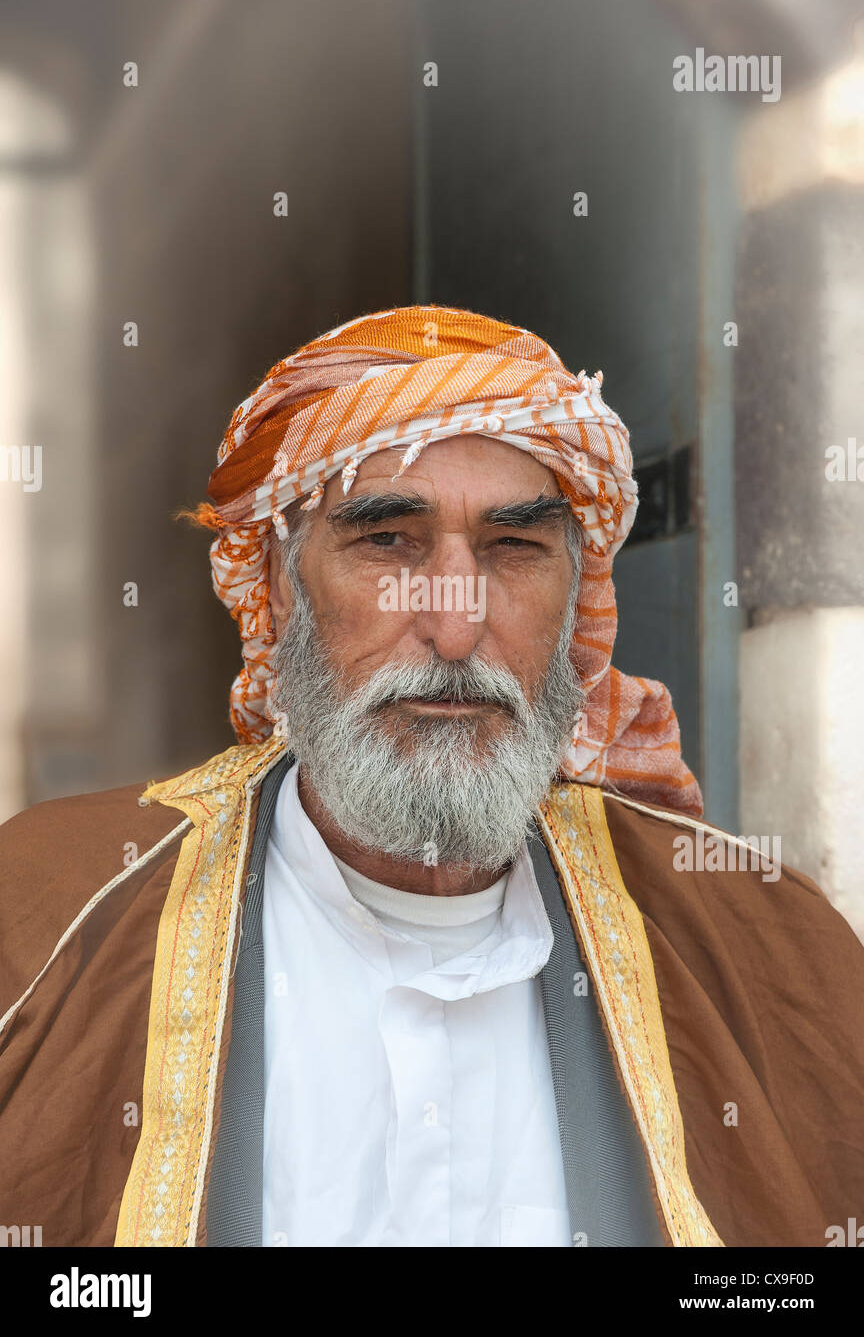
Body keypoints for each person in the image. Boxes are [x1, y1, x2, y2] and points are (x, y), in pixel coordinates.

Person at [1, 305, 862, 1250]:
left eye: (513, 548)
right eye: (388, 543)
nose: (455, 629)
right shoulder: (46, 919)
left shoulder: (776, 948)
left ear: (575, 601)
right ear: (283, 587)